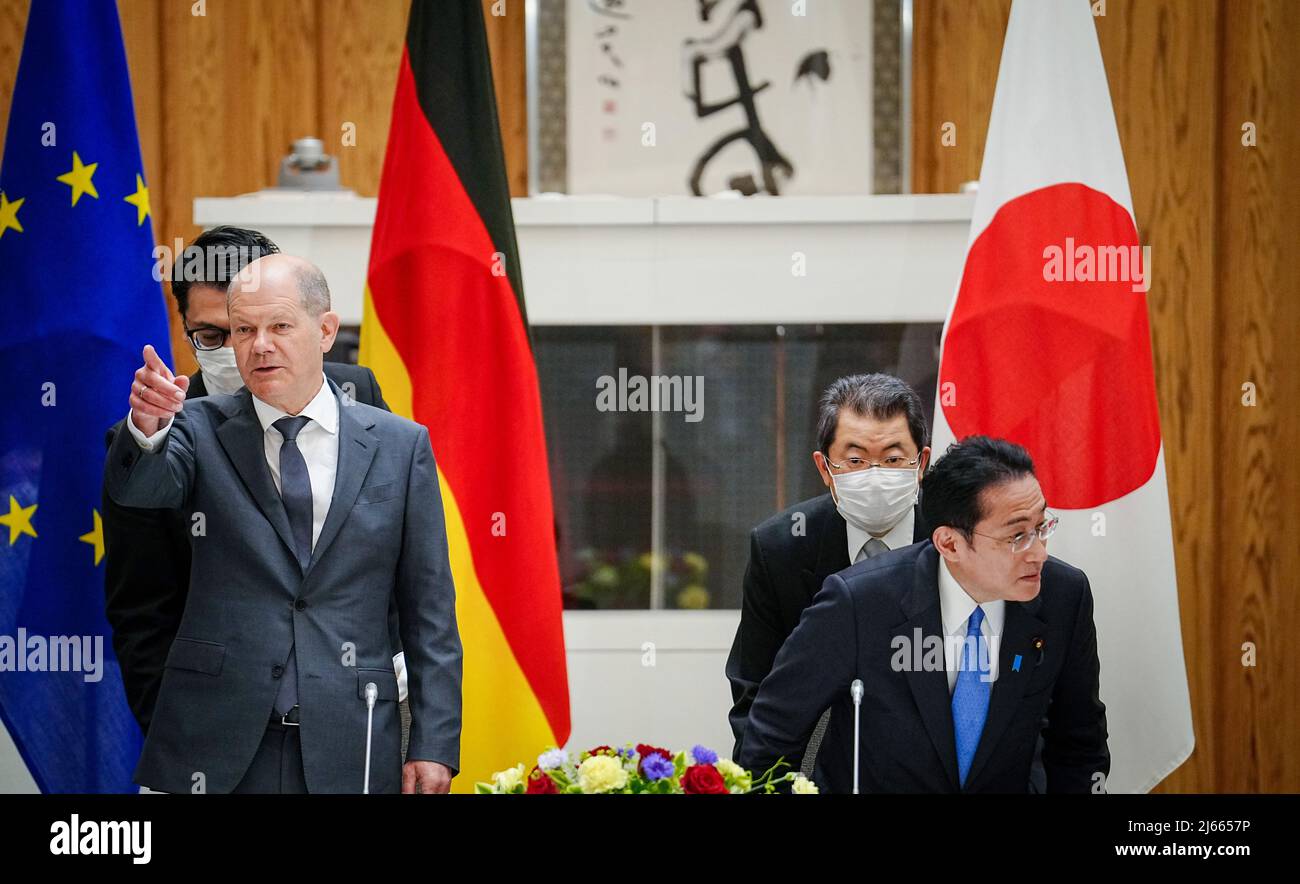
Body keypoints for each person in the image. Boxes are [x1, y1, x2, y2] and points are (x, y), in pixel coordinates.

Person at [104, 254, 461, 793]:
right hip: (218, 742)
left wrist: (434, 743)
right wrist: (147, 427)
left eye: (279, 326)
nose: (258, 344)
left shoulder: (399, 444)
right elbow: (141, 489)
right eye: (244, 329)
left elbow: (429, 608)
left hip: (352, 737)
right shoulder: (197, 428)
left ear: (325, 330)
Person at [738, 436, 1109, 793]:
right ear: (950, 543)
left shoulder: (1064, 595)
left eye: (1041, 527)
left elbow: (1079, 743)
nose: (1038, 553)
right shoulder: (859, 602)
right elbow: (772, 734)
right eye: (1017, 537)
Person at [726, 374, 931, 768]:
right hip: (822, 767)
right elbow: (756, 690)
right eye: (855, 461)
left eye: (892, 459)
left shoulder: (956, 537)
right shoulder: (781, 548)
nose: (874, 476)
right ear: (825, 468)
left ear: (921, 462)